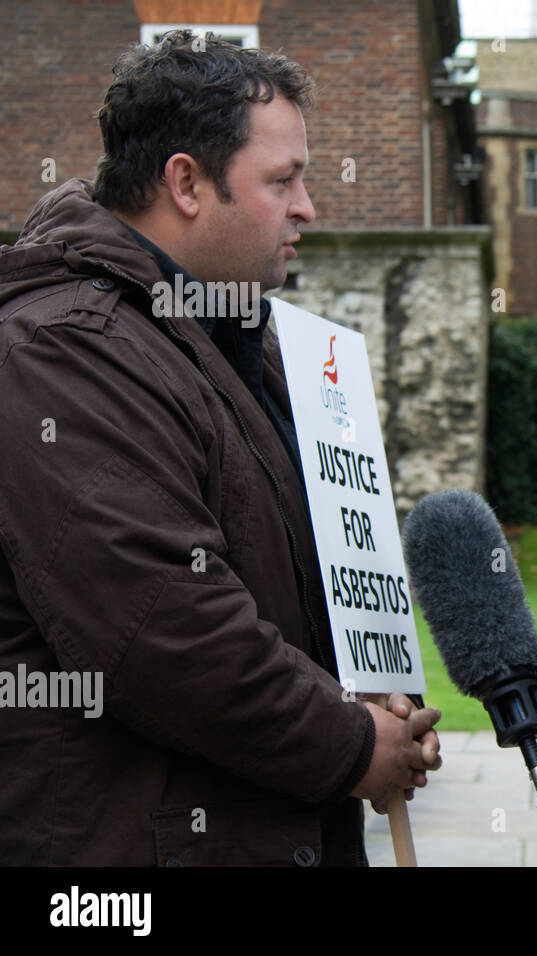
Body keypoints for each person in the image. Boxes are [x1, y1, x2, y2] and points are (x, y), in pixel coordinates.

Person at [0, 32, 439, 865]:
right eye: (283, 181)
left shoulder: (250, 343)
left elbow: (312, 579)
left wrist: (381, 693)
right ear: (186, 183)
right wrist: (350, 744)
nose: (308, 206)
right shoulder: (63, 349)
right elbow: (162, 631)